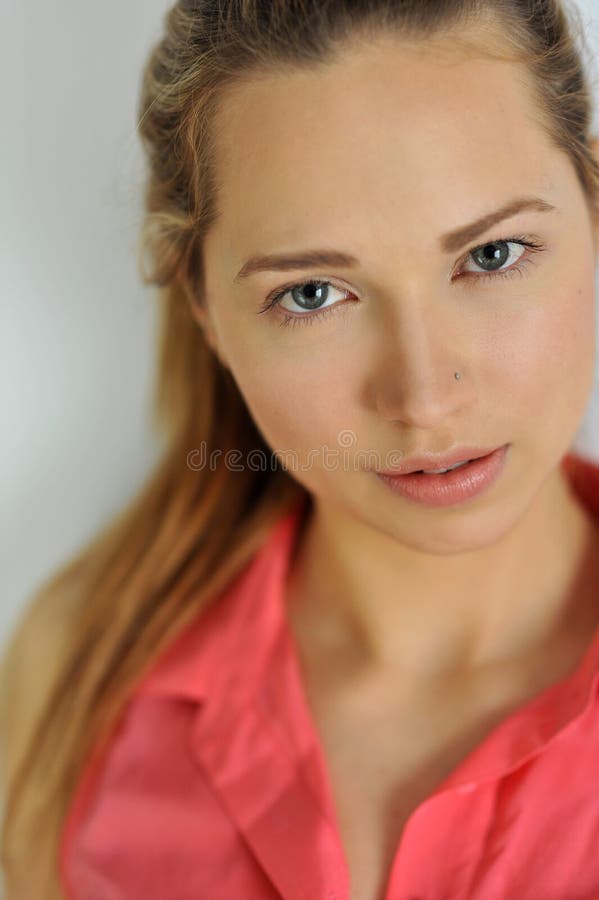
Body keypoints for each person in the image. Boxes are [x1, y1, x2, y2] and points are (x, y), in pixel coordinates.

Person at [3, 0, 599, 897]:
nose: (424, 396)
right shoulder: (78, 674)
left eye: (493, 254)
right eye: (314, 294)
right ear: (204, 310)